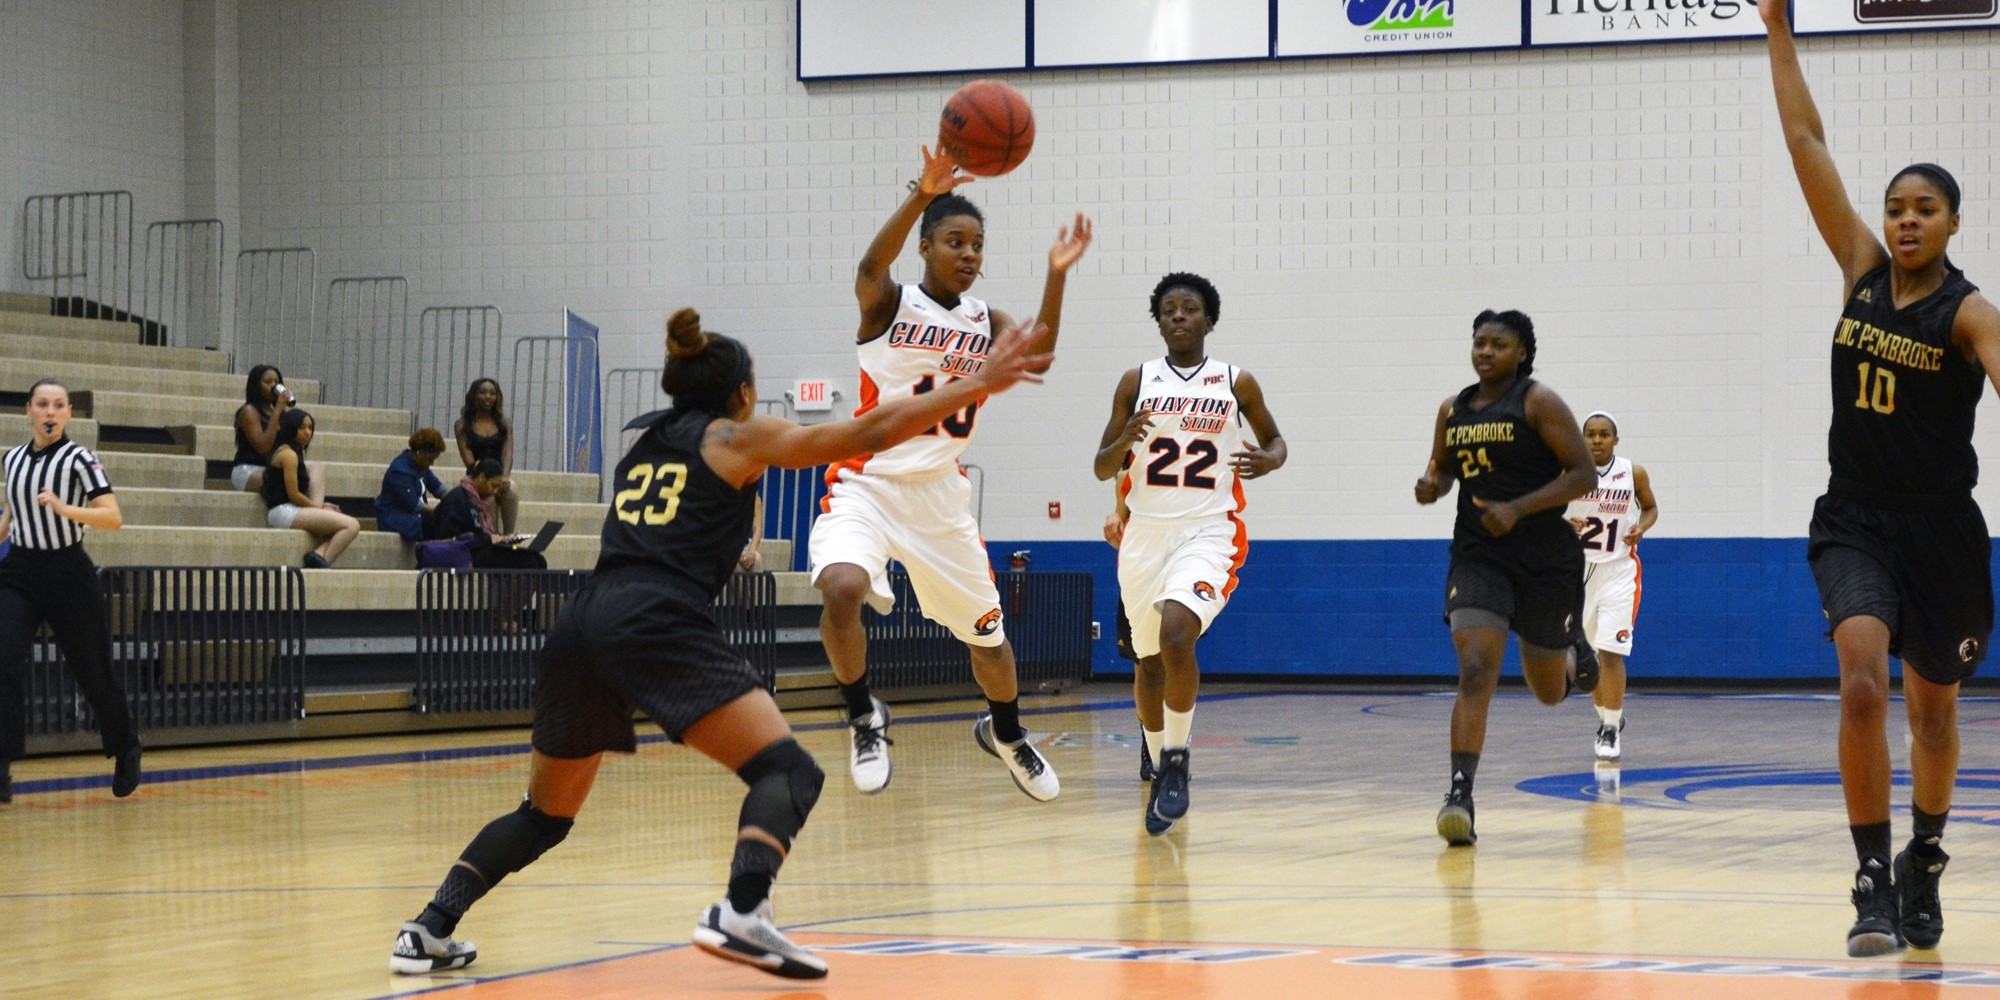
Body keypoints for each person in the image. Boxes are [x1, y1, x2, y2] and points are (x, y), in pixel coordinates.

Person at [389, 306, 1051, 980]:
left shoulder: (643, 443)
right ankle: (743, 911)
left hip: (581, 621)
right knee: (788, 770)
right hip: (655, 617)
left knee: (544, 814)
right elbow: (872, 430)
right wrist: (978, 381)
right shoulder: (735, 436)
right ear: (739, 392)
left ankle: (428, 926)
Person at [1762, 3, 2000, 957]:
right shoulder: (1859, 270)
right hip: (1853, 517)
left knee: (1935, 713)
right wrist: (1778, 27)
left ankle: (1925, 859)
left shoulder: (1971, 312)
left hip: (1941, 529)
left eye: (1924, 210)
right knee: (1862, 681)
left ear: (1950, 223)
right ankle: (1868, 875)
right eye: (1896, 206)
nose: (1904, 220)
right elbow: (1805, 137)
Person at [814, 145, 1091, 799]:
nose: (968, 254)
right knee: (842, 587)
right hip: (869, 482)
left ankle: (1006, 732)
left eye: (977, 245)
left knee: (990, 643)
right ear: (927, 247)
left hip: (940, 498)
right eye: (955, 242)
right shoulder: (888, 304)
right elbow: (866, 265)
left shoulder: (984, 319)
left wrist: (1057, 274)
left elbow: (1040, 358)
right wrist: (919, 195)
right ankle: (862, 713)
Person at [1091, 272, 1286, 835]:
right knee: (1148, 661)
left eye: (1190, 308)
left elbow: (1277, 442)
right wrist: (1122, 440)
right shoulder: (1136, 380)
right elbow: (1103, 465)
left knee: (1178, 632)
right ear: (1158, 320)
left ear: (1209, 320)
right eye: (1169, 309)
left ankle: (1176, 763)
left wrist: (1269, 460)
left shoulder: (1235, 381)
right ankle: (1157, 760)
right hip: (1144, 535)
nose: (1179, 316)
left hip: (1207, 529)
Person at [1414, 310, 1597, 848]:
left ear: (1521, 352)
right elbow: (1443, 467)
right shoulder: (1453, 409)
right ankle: (1459, 795)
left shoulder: (1538, 402)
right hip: (1479, 556)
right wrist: (1432, 484)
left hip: (1543, 560)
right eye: (1479, 343)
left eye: (1498, 344)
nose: (1486, 352)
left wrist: (1518, 509)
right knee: (1475, 670)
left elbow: (1582, 473)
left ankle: (1570, 649)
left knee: (1546, 693)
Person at [0, 379, 142, 803]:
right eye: (42, 404)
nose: (50, 412)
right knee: (3, 663)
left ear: (67, 415)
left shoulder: (81, 459)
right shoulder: (13, 460)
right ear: (28, 410)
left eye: (58, 406)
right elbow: (11, 513)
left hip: (68, 573)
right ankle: (2, 765)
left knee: (93, 674)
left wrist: (64, 509)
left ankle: (125, 745)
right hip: (20, 571)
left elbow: (112, 517)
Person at [1563, 412, 1657, 762]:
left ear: (1615, 440)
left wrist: (1642, 527)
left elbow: (1650, 508)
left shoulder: (1633, 473)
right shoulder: (1567, 472)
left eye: (1604, 434)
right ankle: (1609, 716)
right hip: (1577, 574)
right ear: (1582, 439)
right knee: (1584, 660)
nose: (1597, 440)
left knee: (1611, 652)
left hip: (1619, 570)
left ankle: (1610, 728)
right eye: (1590, 434)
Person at [260, 409, 360, 568]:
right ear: (291, 428)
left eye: (310, 428)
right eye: (302, 428)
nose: (308, 432)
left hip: (291, 509)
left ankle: (318, 556)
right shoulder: (288, 455)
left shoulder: (293, 452)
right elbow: (293, 495)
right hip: (283, 511)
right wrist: (320, 508)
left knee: (318, 467)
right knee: (351, 525)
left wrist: (320, 507)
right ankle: (322, 560)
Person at [454, 378, 519, 535]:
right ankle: (493, 538)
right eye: (483, 393)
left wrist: (504, 478)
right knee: (488, 497)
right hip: (478, 476)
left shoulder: (504, 424)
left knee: (511, 489)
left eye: (492, 393)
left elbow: (507, 453)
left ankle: (509, 536)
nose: (488, 397)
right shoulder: (462, 425)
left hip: (499, 475)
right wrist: (488, 483)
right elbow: (468, 459)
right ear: (474, 396)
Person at [377, 428, 448, 543]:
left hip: (415, 518)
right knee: (439, 521)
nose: (432, 463)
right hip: (396, 519)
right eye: (430, 459)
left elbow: (438, 488)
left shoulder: (421, 465)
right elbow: (414, 505)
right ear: (419, 453)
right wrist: (442, 511)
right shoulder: (399, 470)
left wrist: (454, 501)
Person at [231, 364, 294, 493]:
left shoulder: (280, 414)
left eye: (276, 382)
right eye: (268, 382)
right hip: (249, 469)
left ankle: (317, 507)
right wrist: (277, 412)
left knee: (315, 469)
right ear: (256, 386)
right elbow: (263, 448)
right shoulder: (249, 411)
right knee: (284, 479)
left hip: (273, 468)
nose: (273, 386)